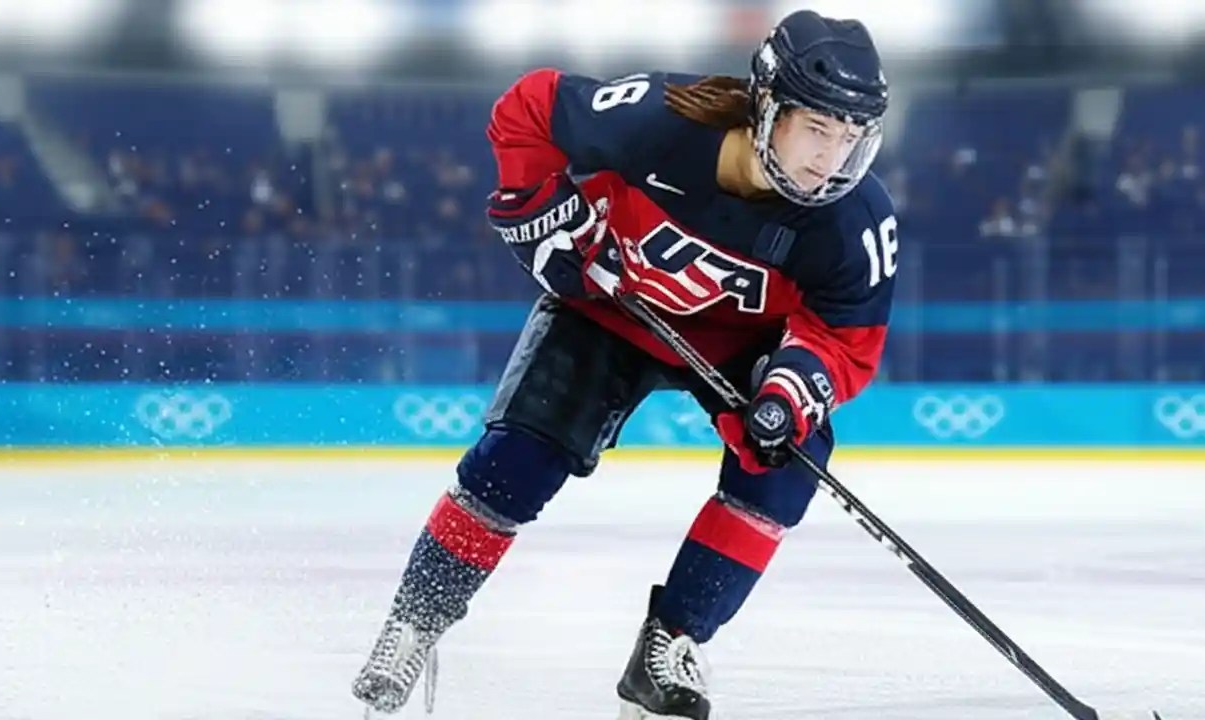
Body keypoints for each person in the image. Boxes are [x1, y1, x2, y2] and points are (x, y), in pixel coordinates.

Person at [353, 9, 897, 719]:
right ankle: (414, 623)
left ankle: (669, 645)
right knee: (513, 465)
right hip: (608, 310)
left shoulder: (855, 224)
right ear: (767, 108)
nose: (832, 162)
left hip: (734, 347)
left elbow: (846, 338)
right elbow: (529, 108)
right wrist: (537, 214)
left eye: (851, 138)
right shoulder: (656, 121)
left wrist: (790, 395)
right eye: (817, 130)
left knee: (786, 462)